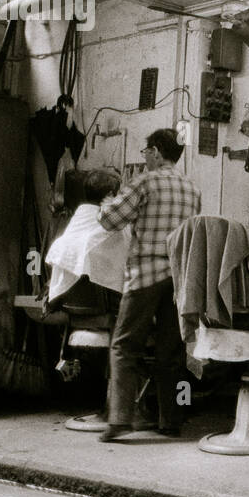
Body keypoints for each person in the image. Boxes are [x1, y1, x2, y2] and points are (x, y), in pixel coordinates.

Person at [97, 129, 202, 441]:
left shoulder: (145, 181)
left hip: (145, 275)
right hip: (178, 279)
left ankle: (119, 419)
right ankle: (171, 420)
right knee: (171, 353)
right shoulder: (192, 189)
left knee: (124, 346)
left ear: (155, 151)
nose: (144, 157)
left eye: (146, 152)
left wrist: (106, 203)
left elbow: (110, 221)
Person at [44, 168, 127, 306]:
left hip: (68, 300)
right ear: (110, 195)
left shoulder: (79, 222)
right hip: (98, 301)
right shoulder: (111, 227)